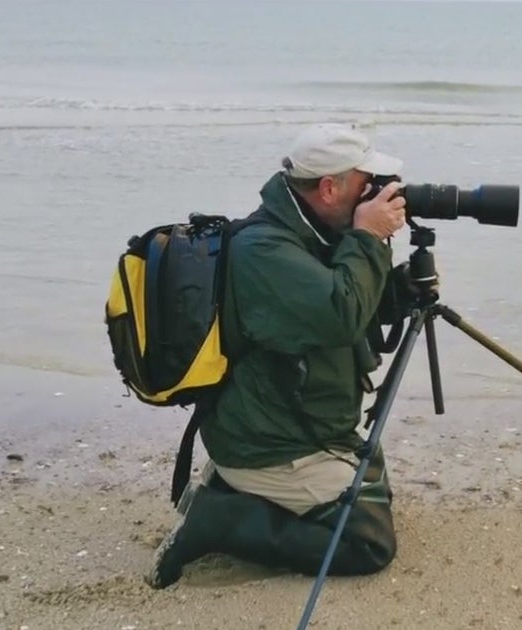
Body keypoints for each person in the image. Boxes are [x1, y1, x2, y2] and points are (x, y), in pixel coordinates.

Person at [147, 122, 411, 589]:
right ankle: (219, 521)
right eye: (364, 182)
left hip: (287, 421)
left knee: (371, 473)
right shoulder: (264, 252)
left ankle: (233, 493)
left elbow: (342, 306)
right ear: (329, 188)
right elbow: (339, 314)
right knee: (368, 543)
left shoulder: (311, 232)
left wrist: (400, 288)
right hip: (269, 445)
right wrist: (368, 238)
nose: (376, 191)